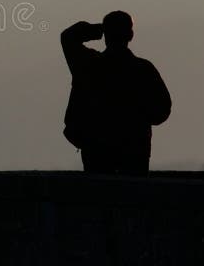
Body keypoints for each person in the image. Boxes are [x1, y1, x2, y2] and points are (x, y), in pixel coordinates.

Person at [61, 11, 171, 174]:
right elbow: (162, 110)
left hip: (96, 150)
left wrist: (97, 30)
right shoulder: (143, 70)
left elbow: (68, 37)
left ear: (106, 35)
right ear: (131, 35)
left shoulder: (88, 65)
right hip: (135, 151)